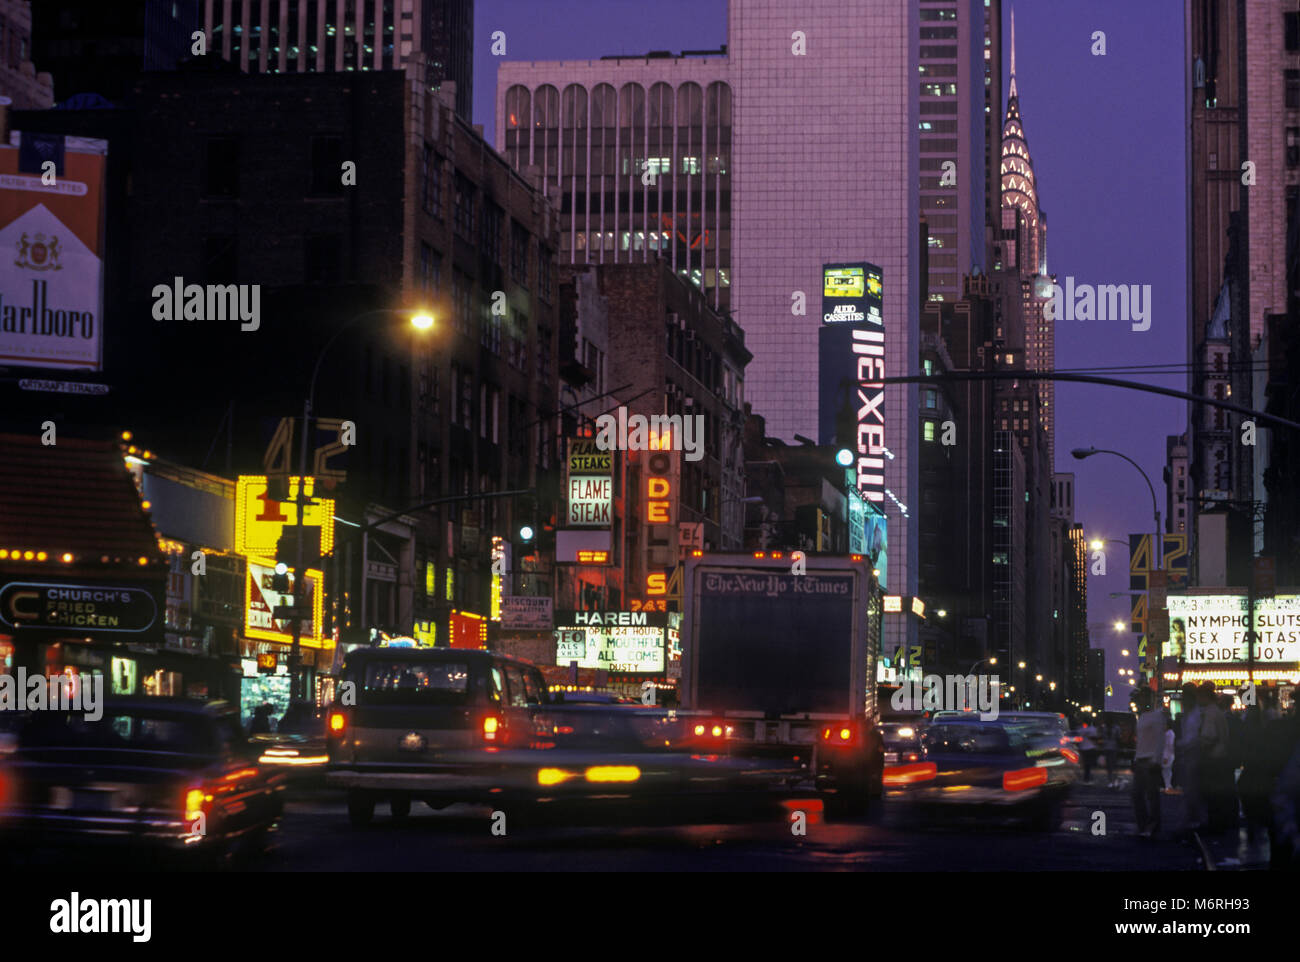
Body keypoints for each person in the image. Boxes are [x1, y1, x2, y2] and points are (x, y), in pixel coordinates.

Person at [1132, 691, 1166, 838]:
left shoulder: (1157, 716)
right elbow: (1141, 741)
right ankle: (1143, 824)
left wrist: (1157, 760)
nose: (1140, 702)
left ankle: (1152, 826)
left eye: (1143, 698)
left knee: (1152, 795)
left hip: (1150, 760)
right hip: (1140, 760)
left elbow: (1160, 739)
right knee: (1137, 794)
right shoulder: (1142, 717)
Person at [1198, 683, 1231, 834]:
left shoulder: (1210, 713)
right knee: (1219, 797)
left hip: (1214, 759)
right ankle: (1220, 824)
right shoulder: (1217, 712)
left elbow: (1208, 738)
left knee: (1212, 796)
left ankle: (1214, 825)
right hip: (1222, 758)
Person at [1176, 682, 1204, 833]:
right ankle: (1192, 821)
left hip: (1193, 755)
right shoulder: (1189, 714)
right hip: (1188, 755)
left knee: (1192, 791)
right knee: (1190, 790)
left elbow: (1194, 738)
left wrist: (1181, 744)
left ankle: (1190, 822)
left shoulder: (1196, 714)